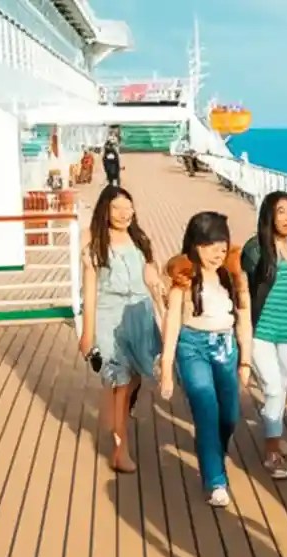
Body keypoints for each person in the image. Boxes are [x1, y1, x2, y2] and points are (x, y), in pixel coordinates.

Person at [159, 212, 253, 507]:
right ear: (195, 244)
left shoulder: (232, 276)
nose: (217, 254)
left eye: (222, 247)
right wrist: (165, 370)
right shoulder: (184, 279)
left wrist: (246, 360)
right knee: (207, 411)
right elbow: (172, 323)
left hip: (225, 347)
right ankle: (215, 481)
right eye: (209, 246)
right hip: (192, 347)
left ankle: (214, 449)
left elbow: (245, 317)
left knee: (229, 415)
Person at [78, 185, 166, 473]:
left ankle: (120, 416)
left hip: (139, 315)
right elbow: (89, 293)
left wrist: (160, 291)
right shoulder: (95, 246)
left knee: (136, 379)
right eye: (116, 208)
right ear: (105, 211)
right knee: (120, 383)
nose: (124, 213)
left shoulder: (139, 240)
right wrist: (87, 334)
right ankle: (120, 450)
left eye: (128, 206)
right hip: (110, 318)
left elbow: (151, 273)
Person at [241, 190, 287, 478]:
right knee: (271, 387)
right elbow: (243, 289)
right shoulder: (255, 248)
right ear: (269, 215)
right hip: (261, 329)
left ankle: (275, 435)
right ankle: (272, 452)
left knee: (281, 388)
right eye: (281, 211)